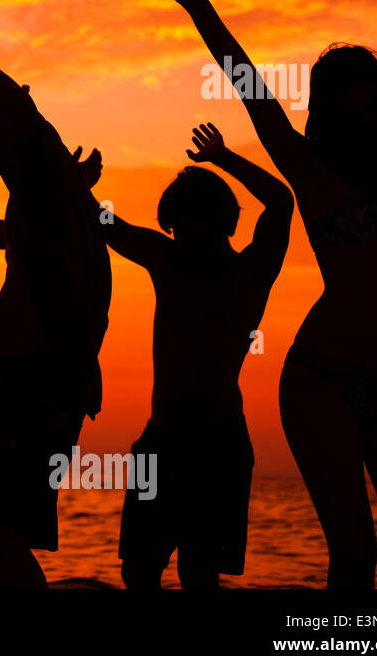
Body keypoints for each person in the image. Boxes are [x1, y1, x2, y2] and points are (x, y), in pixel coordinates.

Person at [150, 0, 377, 589]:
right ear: (328, 115)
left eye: (369, 107)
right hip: (322, 380)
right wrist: (197, 3)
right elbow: (250, 87)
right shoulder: (312, 172)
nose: (361, 121)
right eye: (346, 111)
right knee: (355, 555)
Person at [0, 20, 112, 589]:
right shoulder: (41, 192)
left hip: (37, 378)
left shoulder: (43, 168)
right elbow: (39, 241)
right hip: (30, 377)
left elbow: (16, 104)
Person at [98, 124, 293, 588]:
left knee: (198, 571)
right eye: (178, 228)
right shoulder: (167, 258)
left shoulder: (248, 271)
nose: (186, 236)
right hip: (162, 439)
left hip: (218, 445)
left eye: (195, 224)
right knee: (139, 569)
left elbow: (281, 201)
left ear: (223, 221)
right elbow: (103, 223)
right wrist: (73, 179)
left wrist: (223, 157)